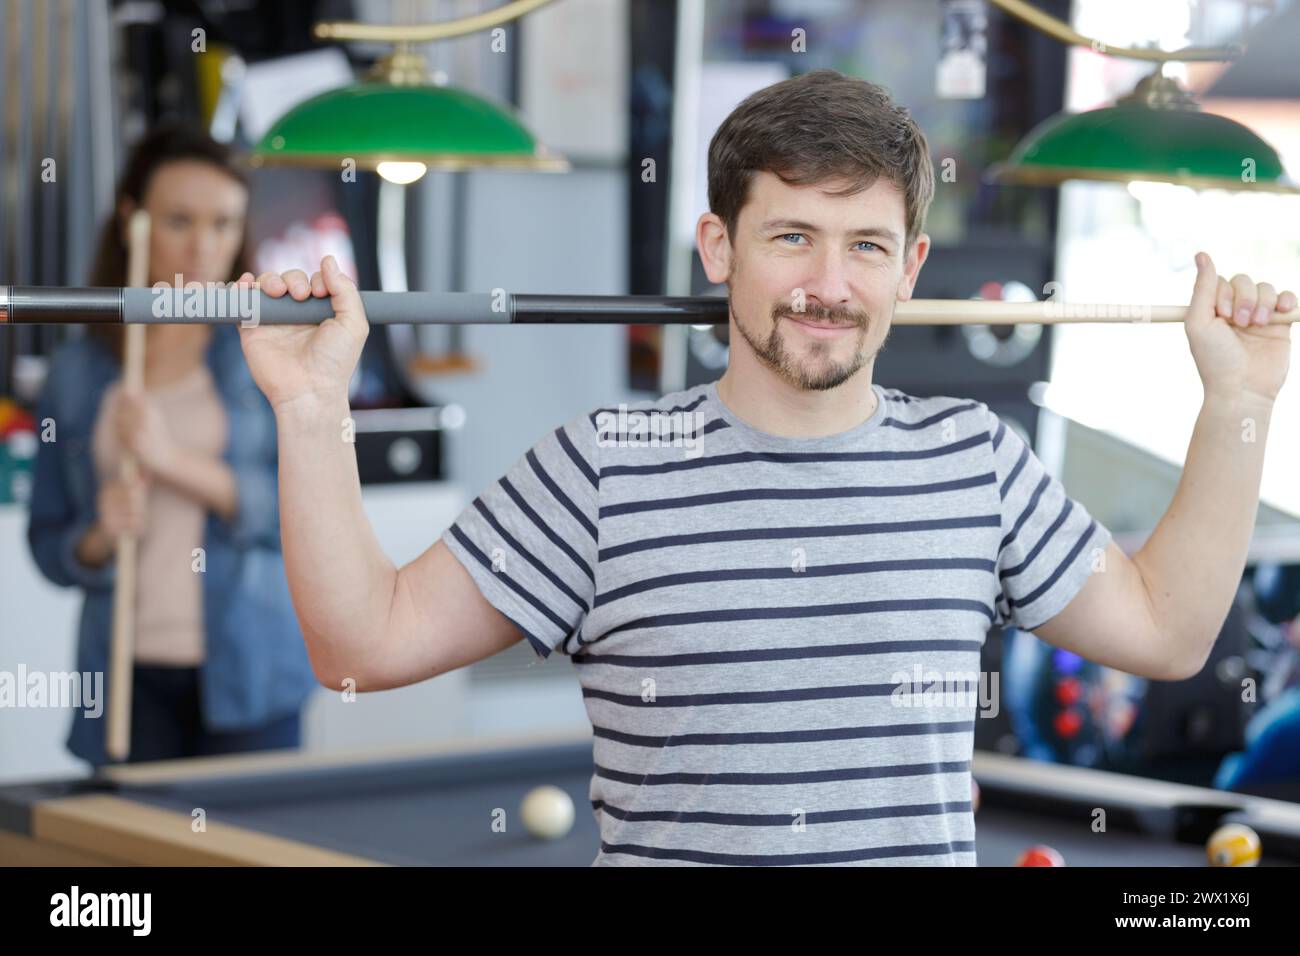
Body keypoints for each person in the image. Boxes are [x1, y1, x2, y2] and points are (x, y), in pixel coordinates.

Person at [237, 70, 1296, 865]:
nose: (827, 285)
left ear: (911, 266)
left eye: (867, 245)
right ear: (718, 246)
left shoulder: (975, 459)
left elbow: (1165, 630)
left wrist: (1240, 405)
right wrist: (312, 404)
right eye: (791, 235)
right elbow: (357, 647)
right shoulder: (606, 466)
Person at [27, 123, 316, 767]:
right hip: (124, 676)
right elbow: (47, 543)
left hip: (250, 672)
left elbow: (303, 514)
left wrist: (170, 461)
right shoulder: (78, 372)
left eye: (223, 224)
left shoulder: (263, 352)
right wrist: (97, 536)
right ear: (132, 221)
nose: (204, 247)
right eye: (179, 221)